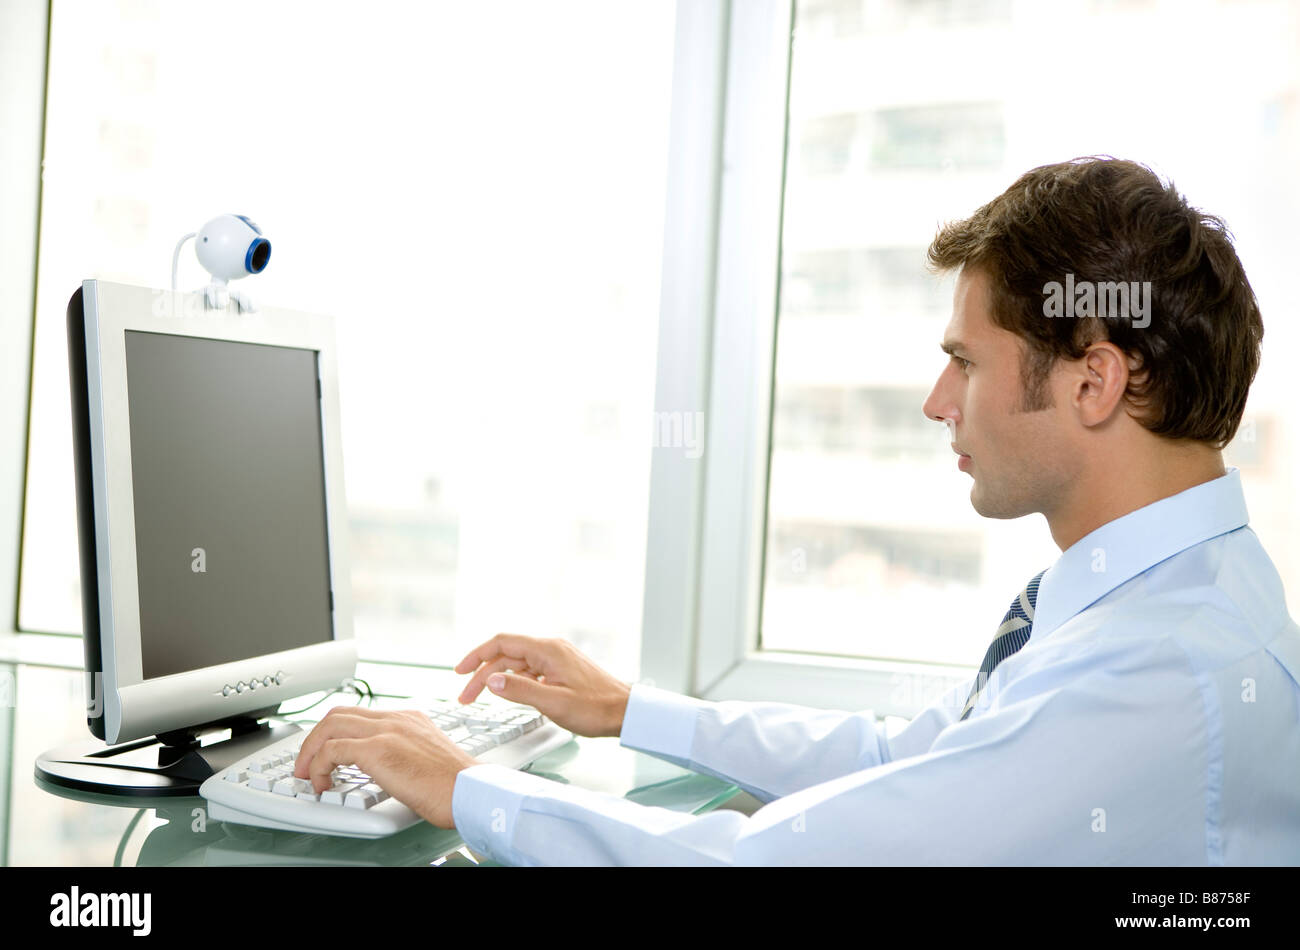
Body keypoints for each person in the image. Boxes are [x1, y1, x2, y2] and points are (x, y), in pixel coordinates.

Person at [293, 157, 1300, 864]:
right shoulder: (1159, 600)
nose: (936, 401)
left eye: (963, 361)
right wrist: (628, 709)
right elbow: (910, 761)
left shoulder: (1159, 670)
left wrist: (465, 785)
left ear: (1092, 382)